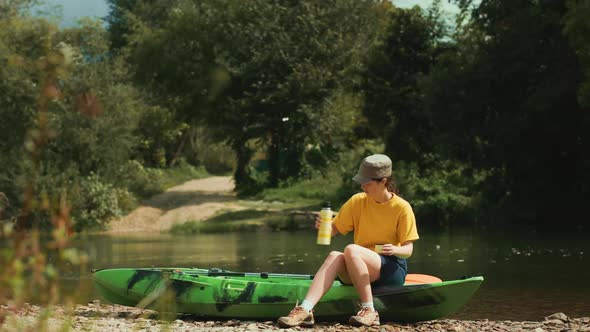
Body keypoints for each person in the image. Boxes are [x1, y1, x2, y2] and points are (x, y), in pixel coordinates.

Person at [277, 154, 419, 327]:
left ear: (383, 181)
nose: (362, 185)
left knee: (351, 249)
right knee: (335, 255)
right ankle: (305, 310)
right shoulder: (357, 201)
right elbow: (334, 230)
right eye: (361, 181)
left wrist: (395, 249)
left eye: (367, 182)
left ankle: (369, 311)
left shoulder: (402, 208)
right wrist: (324, 227)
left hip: (391, 268)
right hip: (357, 264)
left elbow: (408, 249)